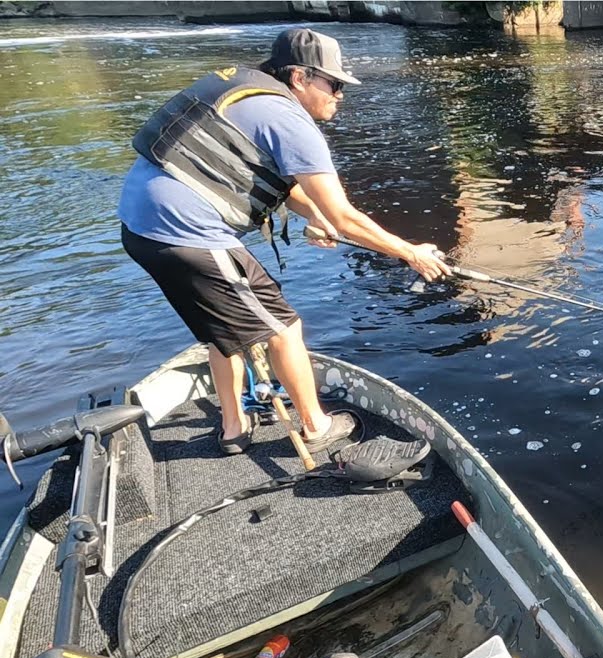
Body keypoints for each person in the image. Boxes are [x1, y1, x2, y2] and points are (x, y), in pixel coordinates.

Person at [118, 28, 450, 455]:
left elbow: (257, 174)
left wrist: (313, 217)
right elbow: (345, 217)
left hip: (142, 229)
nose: (340, 94)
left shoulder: (249, 93)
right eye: (332, 84)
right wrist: (410, 252)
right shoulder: (289, 119)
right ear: (299, 77)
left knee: (224, 333)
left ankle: (234, 429)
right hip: (188, 234)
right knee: (283, 328)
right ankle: (316, 426)